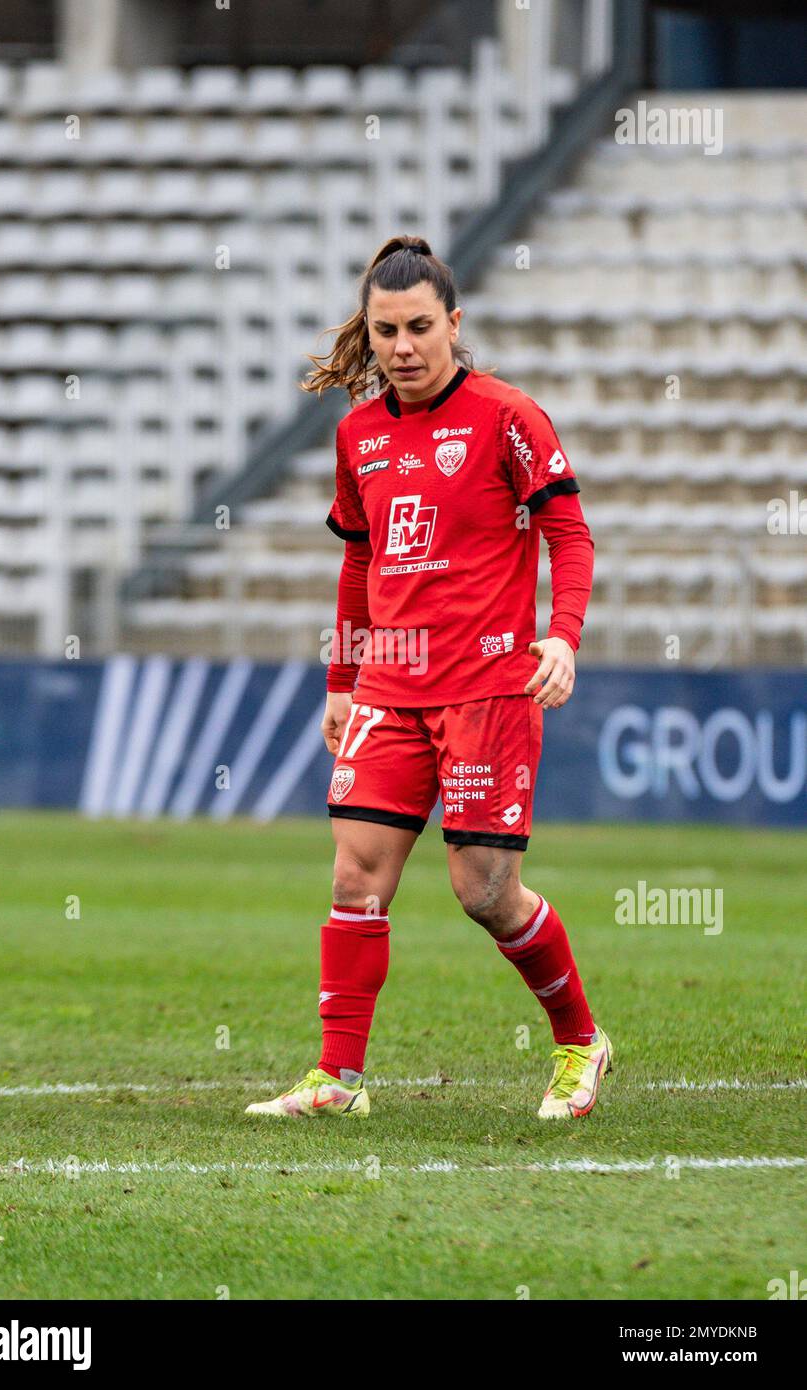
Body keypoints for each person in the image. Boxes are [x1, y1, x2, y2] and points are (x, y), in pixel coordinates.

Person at [246, 234, 612, 1121]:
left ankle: (578, 1041)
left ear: (454, 322)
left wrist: (559, 638)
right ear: (366, 335)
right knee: (354, 880)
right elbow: (357, 563)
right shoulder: (357, 435)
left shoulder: (506, 416)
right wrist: (341, 679)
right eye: (384, 331)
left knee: (482, 890)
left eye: (418, 327)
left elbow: (569, 535)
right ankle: (337, 1079)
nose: (402, 347)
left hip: (488, 689)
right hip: (389, 690)